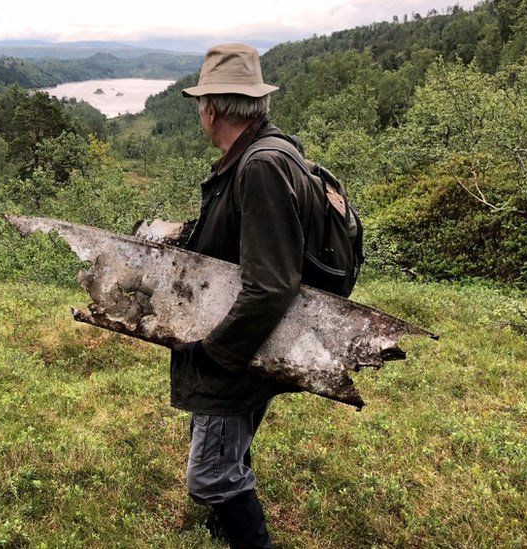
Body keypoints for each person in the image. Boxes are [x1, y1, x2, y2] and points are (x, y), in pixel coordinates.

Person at [170, 43, 324, 548]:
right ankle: (224, 520)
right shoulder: (268, 151)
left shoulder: (259, 167)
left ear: (211, 109)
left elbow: (271, 284)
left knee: (210, 474)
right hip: (254, 339)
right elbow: (250, 238)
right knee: (228, 446)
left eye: (200, 104)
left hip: (242, 342)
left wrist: (217, 354)